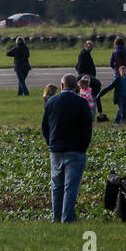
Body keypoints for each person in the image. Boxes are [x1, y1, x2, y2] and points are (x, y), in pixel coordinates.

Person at [40, 73, 93, 223]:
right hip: (76, 150)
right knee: (71, 186)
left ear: (62, 86)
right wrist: (84, 146)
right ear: (76, 86)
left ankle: (56, 218)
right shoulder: (81, 102)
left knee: (57, 186)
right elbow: (87, 129)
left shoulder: (51, 102)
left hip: (56, 149)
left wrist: (50, 143)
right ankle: (67, 218)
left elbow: (44, 126)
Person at [76, 40, 105, 118]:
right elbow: (80, 68)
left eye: (91, 45)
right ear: (85, 45)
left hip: (89, 78)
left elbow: (77, 66)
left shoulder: (85, 54)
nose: (90, 47)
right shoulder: (83, 54)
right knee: (90, 98)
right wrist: (86, 76)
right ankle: (91, 114)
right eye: (89, 45)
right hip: (87, 78)